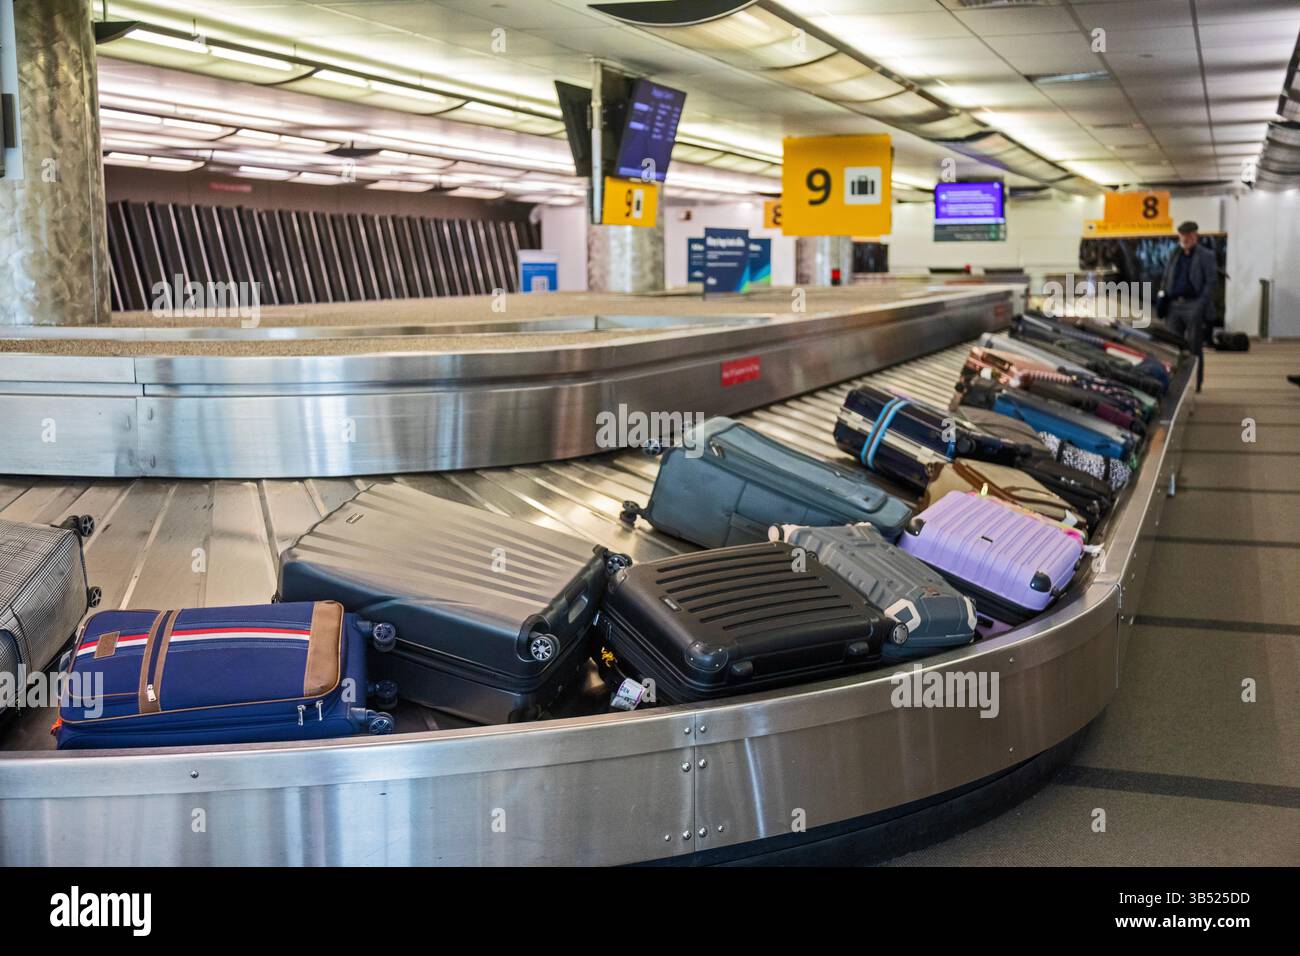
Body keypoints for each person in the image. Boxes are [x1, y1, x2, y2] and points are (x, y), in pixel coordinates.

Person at [1158, 221, 1217, 392]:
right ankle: (1175, 384)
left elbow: (1211, 283)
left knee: (1193, 347)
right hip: (1173, 307)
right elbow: (1165, 278)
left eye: (1189, 235)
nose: (1185, 238)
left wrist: (1201, 305)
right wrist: (1163, 298)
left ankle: (1195, 385)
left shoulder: (1206, 255)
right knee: (1172, 347)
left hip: (1194, 305)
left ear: (1195, 236)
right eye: (1182, 235)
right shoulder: (1174, 253)